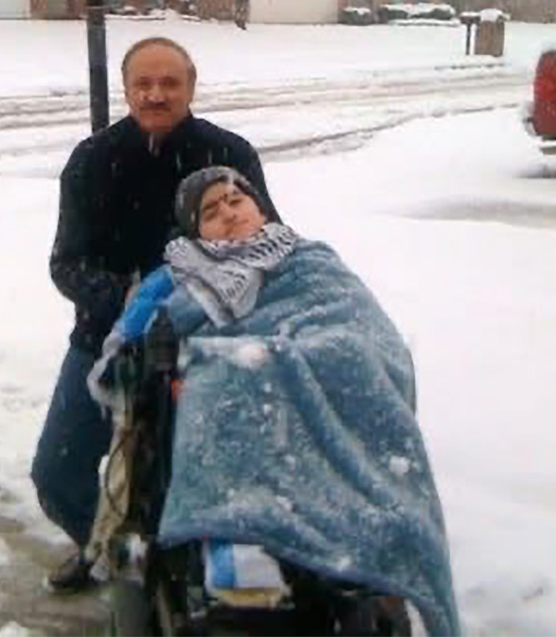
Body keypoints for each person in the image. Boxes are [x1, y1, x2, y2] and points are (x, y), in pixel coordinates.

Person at [89, 167, 461, 636]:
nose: (227, 212)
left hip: (325, 377)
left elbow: (365, 327)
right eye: (210, 210)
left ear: (259, 208)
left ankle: (368, 537)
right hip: (246, 403)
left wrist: (313, 354)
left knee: (347, 359)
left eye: (235, 200)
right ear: (194, 230)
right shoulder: (178, 278)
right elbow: (127, 343)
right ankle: (241, 543)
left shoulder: (309, 258)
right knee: (228, 372)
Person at [31, 38, 278, 593]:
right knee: (57, 474)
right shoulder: (92, 160)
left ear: (191, 86)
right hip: (106, 341)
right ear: (126, 89)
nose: (156, 94)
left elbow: (268, 241)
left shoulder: (228, 155)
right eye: (144, 83)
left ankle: (178, 576)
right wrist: (128, 299)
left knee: (179, 475)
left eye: (170, 83)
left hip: (208, 341)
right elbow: (65, 264)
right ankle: (104, 545)